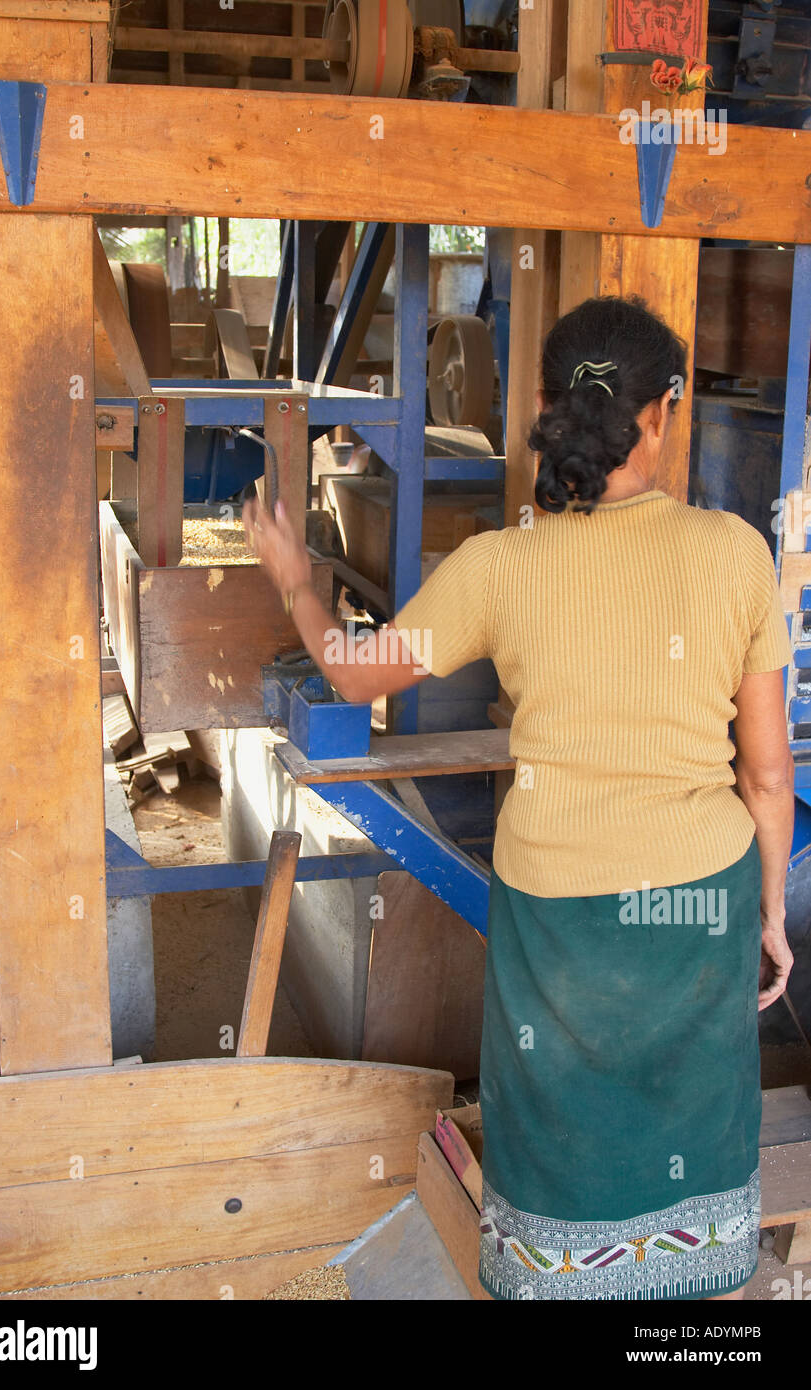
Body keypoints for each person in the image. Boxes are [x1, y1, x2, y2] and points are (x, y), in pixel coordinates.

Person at [243, 295, 794, 1302]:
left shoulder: (500, 565)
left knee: (558, 1107)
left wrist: (292, 575)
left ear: (542, 406)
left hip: (554, 900)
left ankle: (555, 1274)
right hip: (697, 894)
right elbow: (763, 773)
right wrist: (764, 908)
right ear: (664, 413)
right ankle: (701, 1287)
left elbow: (357, 676)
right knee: (691, 1113)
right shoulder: (736, 556)